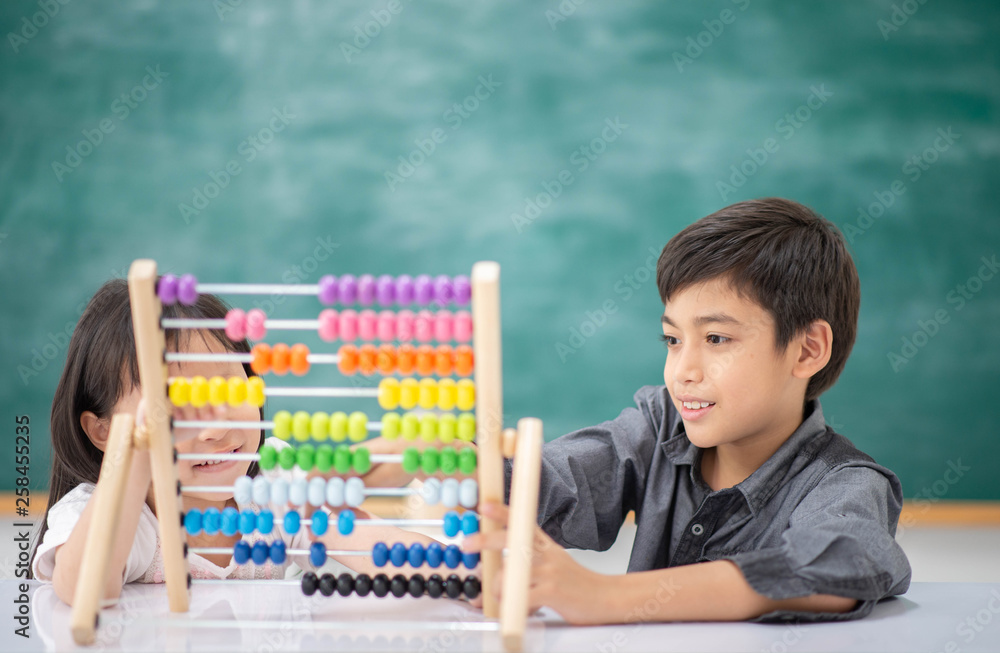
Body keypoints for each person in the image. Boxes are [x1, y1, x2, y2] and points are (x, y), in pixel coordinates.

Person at [371, 197, 912, 625]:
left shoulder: (846, 484)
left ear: (807, 349)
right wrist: (445, 462)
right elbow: (557, 481)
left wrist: (605, 595)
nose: (682, 371)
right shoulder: (659, 428)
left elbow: (836, 565)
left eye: (717, 338)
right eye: (673, 341)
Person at [30, 278, 435, 605]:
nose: (215, 429)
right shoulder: (109, 518)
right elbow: (84, 589)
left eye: (229, 389)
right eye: (178, 405)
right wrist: (127, 456)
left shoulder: (275, 491)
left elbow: (382, 547)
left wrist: (473, 573)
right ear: (103, 431)